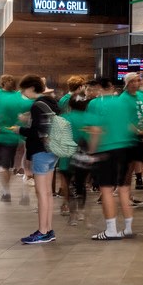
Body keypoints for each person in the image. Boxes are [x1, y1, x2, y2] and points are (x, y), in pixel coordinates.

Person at [87, 76, 139, 240]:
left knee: (107, 190)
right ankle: (128, 228)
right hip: (125, 148)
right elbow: (131, 126)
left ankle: (111, 230)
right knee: (124, 188)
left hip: (106, 150)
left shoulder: (95, 104)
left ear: (99, 88)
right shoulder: (123, 102)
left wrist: (91, 151)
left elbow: (95, 129)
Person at [17, 75, 61, 245]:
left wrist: (19, 129)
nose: (22, 93)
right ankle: (48, 229)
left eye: (23, 89)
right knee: (48, 193)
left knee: (41, 193)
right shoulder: (51, 102)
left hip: (40, 152)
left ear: (31, 88)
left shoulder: (36, 106)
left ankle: (43, 231)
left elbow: (37, 131)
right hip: (53, 151)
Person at [0, 75, 28, 204]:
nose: (10, 82)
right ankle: (5, 190)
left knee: (6, 166)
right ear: (2, 82)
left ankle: (6, 191)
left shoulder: (16, 96)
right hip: (3, 135)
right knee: (4, 166)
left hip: (14, 135)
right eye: (8, 80)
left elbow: (26, 108)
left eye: (12, 80)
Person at [61, 92, 94, 226]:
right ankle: (81, 211)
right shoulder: (91, 118)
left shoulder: (64, 118)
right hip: (84, 156)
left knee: (68, 184)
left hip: (66, 155)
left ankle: (72, 214)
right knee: (81, 183)